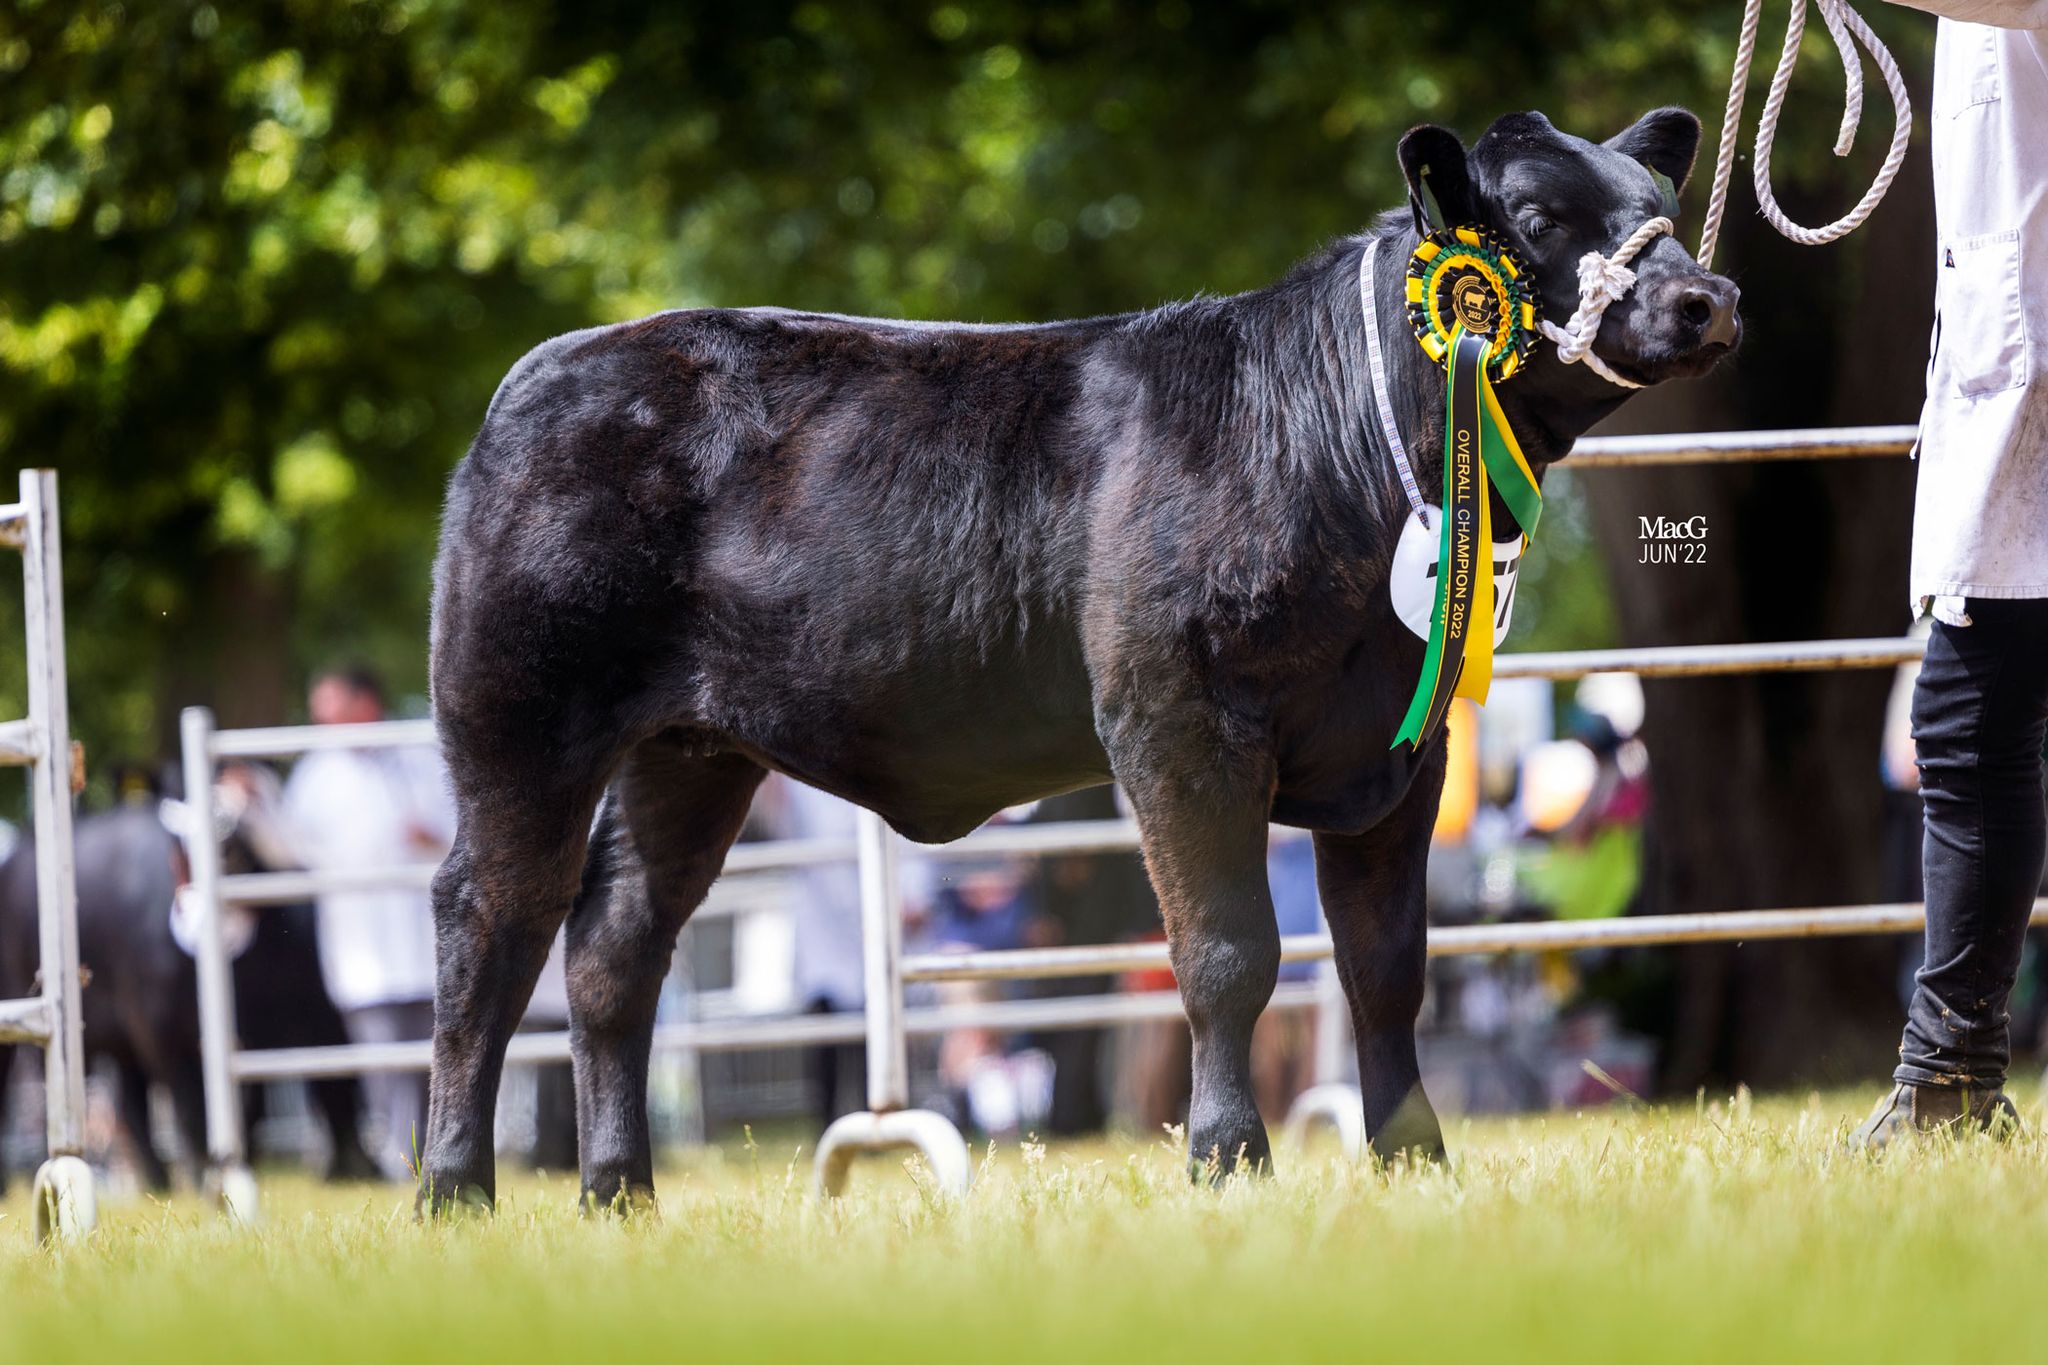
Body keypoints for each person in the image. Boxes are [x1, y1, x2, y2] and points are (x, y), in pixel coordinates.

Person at [1852, 0, 2048, 1146]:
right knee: (1969, 719)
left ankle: (1950, 1074)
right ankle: (1948, 1075)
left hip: (2029, 379)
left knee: (1973, 720)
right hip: (2012, 382)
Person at [282, 665, 452, 1175]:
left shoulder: (423, 754)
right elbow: (290, 849)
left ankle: (441, 1157)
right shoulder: (315, 775)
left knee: (439, 1058)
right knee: (384, 1065)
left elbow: (464, 829)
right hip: (362, 948)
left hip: (426, 939)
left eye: (331, 707)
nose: (323, 720)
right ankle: (402, 1164)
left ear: (365, 703)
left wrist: (434, 838)